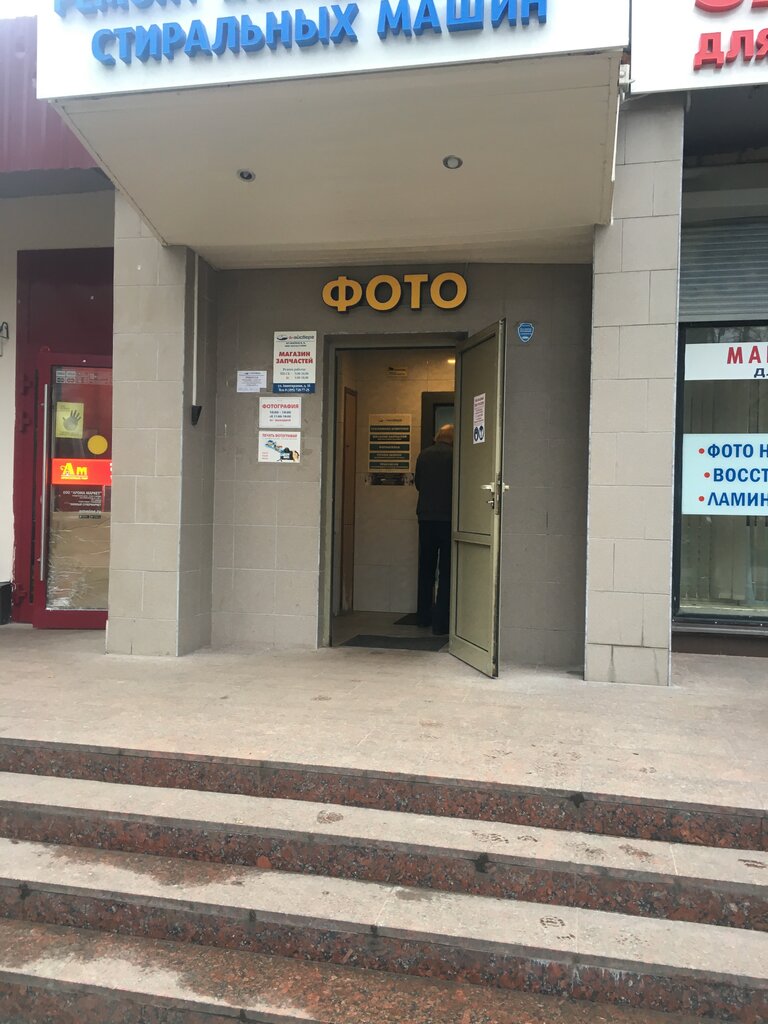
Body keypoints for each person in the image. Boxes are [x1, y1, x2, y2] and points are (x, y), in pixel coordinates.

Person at [414, 423, 454, 636]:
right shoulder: (454, 456)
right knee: (446, 570)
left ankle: (423, 616)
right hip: (448, 519)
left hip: (426, 518)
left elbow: (418, 484)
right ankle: (441, 622)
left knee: (426, 568)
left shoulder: (424, 455)